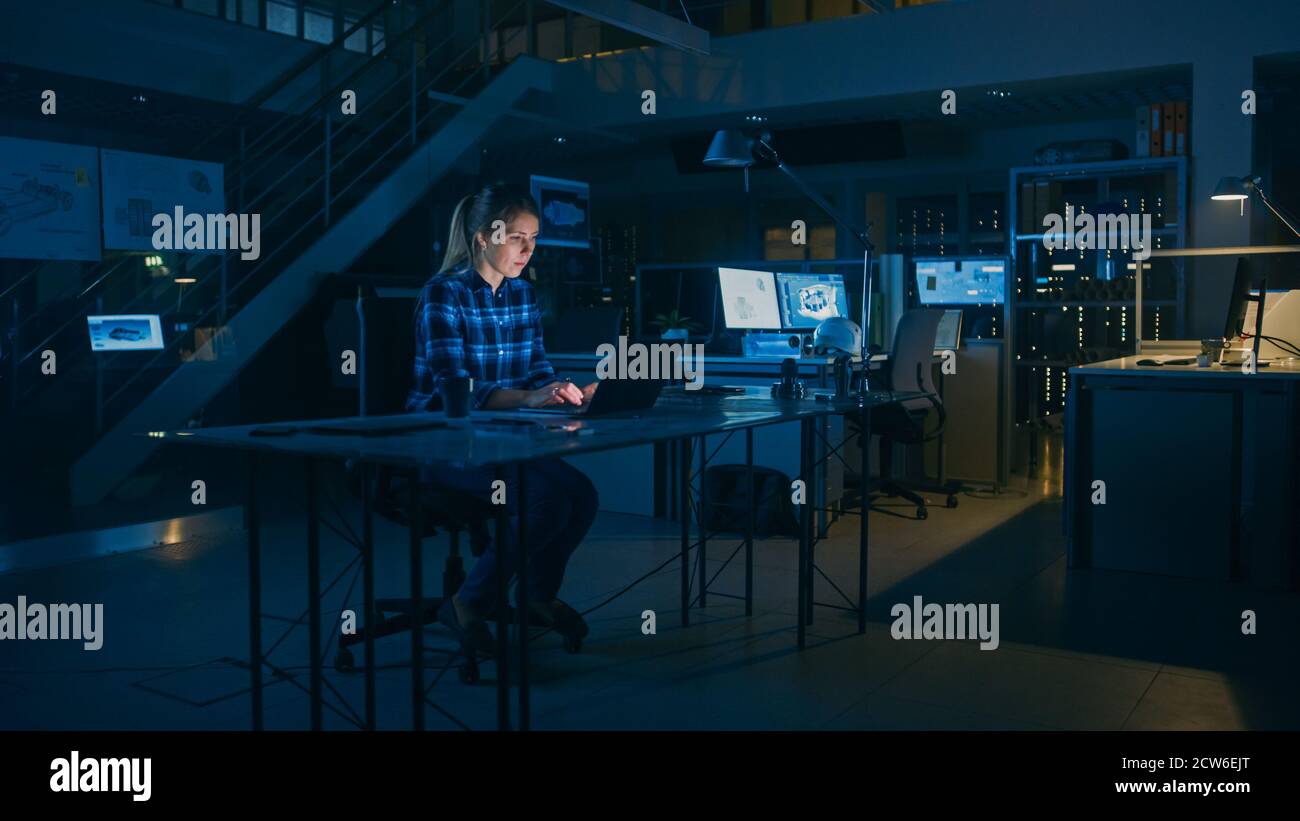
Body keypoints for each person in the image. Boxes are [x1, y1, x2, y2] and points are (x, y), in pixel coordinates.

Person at [406, 182, 599, 655]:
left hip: (506, 441)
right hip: (444, 444)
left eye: (533, 239)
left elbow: (536, 371)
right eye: (517, 237)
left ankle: (535, 596)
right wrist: (531, 399)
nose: (528, 250)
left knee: (582, 494)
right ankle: (468, 603)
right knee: (548, 502)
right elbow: (456, 386)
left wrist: (561, 393)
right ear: (483, 238)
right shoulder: (443, 294)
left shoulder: (522, 296)